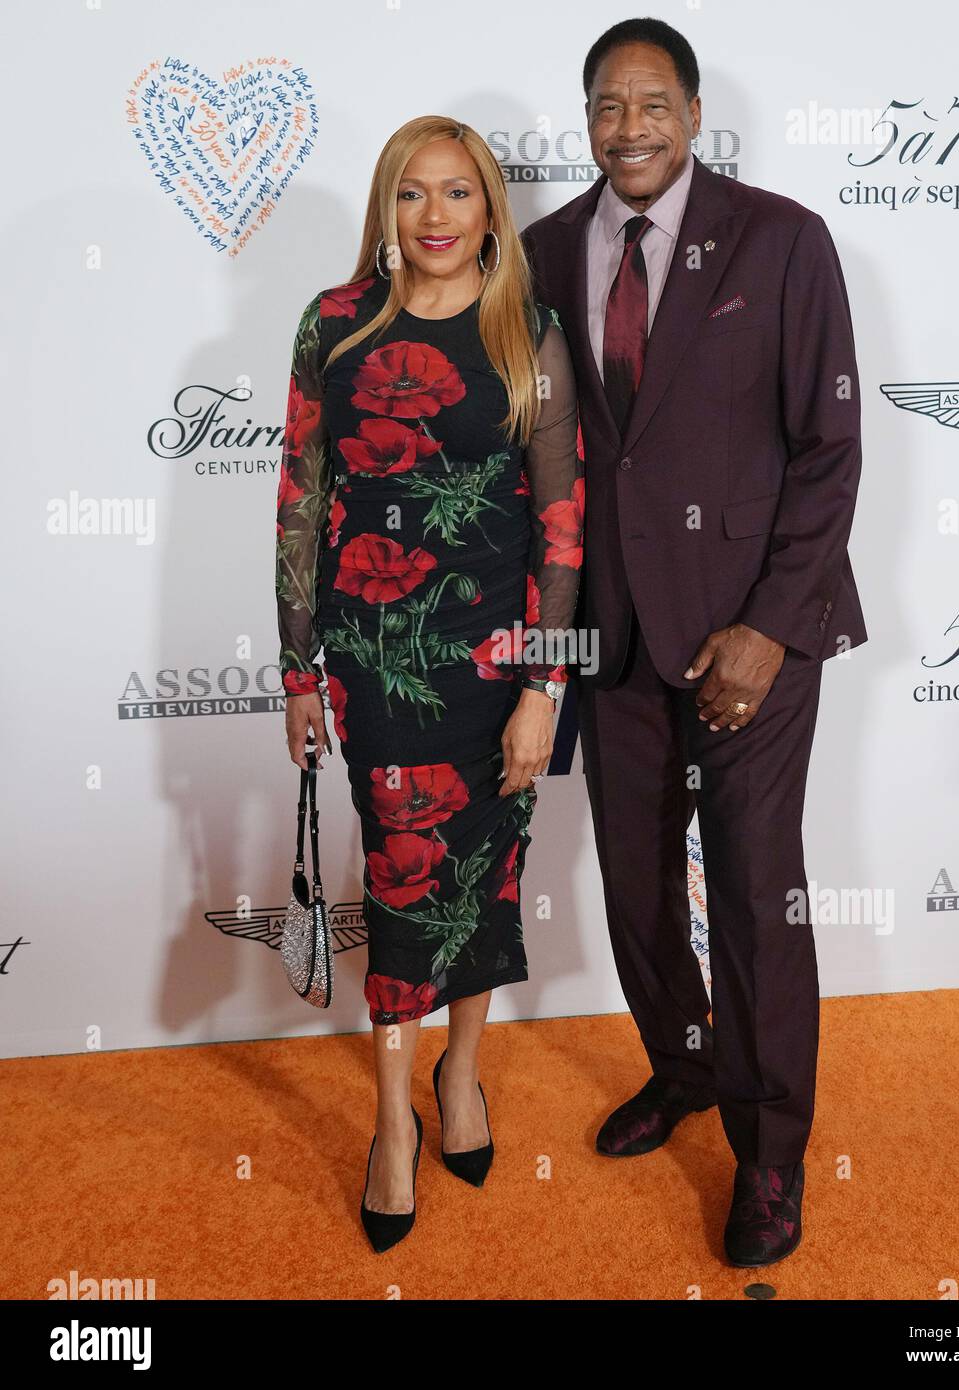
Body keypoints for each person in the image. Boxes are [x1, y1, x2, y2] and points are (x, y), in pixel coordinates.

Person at [521, 17, 866, 1268]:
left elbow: (829, 454)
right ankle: (680, 1067)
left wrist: (768, 631)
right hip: (608, 637)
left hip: (750, 640)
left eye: (650, 102)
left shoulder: (782, 240)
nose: (628, 127)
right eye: (606, 107)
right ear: (587, 122)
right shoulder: (549, 249)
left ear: (694, 111)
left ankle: (769, 1156)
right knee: (634, 883)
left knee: (758, 897)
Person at [275, 115, 583, 1252]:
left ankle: (462, 1074)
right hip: (370, 665)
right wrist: (298, 665)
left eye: (459, 194)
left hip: (498, 667)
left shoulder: (527, 332)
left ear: (489, 211)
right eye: (413, 194)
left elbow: (559, 526)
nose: (437, 216)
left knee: (484, 876)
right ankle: (390, 1124)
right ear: (387, 210)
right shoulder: (336, 325)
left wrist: (543, 689)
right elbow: (299, 497)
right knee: (402, 883)